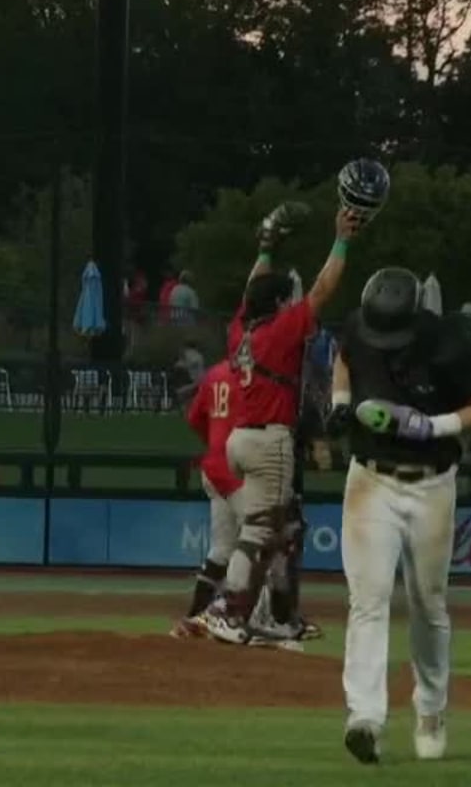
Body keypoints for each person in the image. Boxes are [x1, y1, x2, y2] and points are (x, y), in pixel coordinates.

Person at [201, 159, 385, 645]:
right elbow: (325, 289)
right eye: (288, 296)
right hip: (269, 439)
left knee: (286, 528)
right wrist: (343, 238)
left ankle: (273, 616)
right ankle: (226, 608)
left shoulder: (242, 328)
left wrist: (266, 246)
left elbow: (251, 290)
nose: (292, 300)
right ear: (281, 303)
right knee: (263, 526)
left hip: (243, 438)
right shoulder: (281, 330)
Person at [332, 267, 471, 764]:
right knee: (368, 599)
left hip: (431, 485)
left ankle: (431, 709)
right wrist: (340, 403)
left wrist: (436, 426)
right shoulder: (356, 328)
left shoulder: (448, 344)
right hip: (370, 479)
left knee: (428, 603)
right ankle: (364, 717)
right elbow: (342, 361)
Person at [172, 360, 242, 638]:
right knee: (259, 543)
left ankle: (194, 619)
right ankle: (231, 615)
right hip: (239, 469)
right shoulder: (253, 376)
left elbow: (194, 418)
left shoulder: (215, 372)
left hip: (214, 466)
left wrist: (214, 441)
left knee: (223, 550)